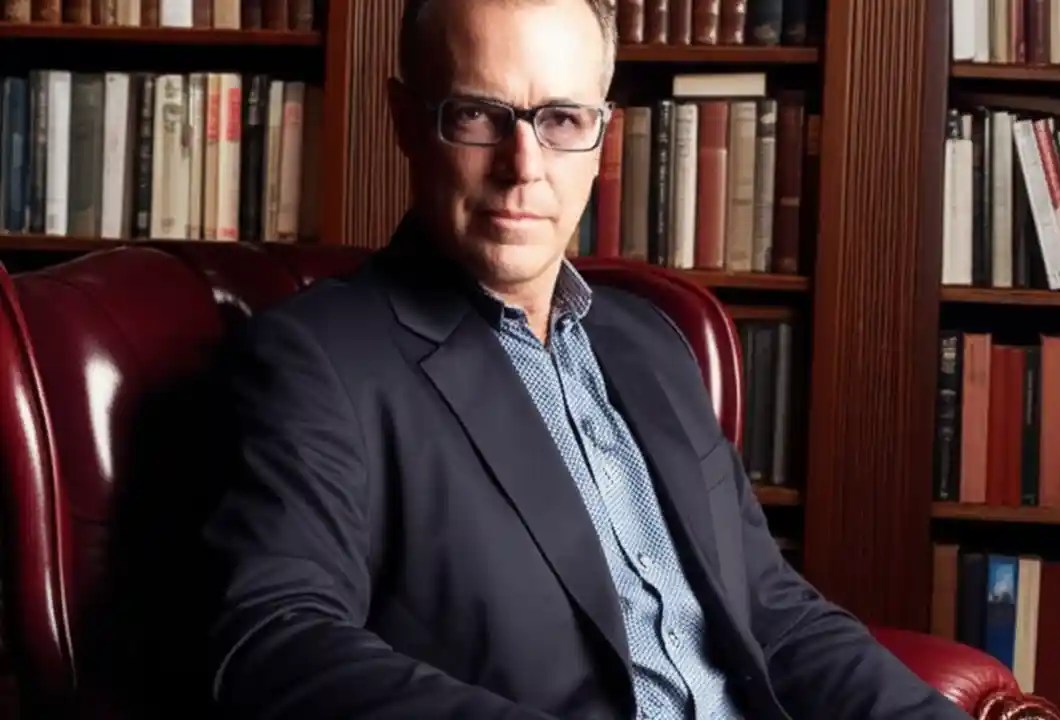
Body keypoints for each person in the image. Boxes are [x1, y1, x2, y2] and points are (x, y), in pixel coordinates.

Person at [201, 0, 970, 718]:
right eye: (478, 115)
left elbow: (772, 610)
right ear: (406, 120)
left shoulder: (653, 343)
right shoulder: (316, 359)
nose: (523, 165)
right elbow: (278, 639)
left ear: (604, 133)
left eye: (562, 119)